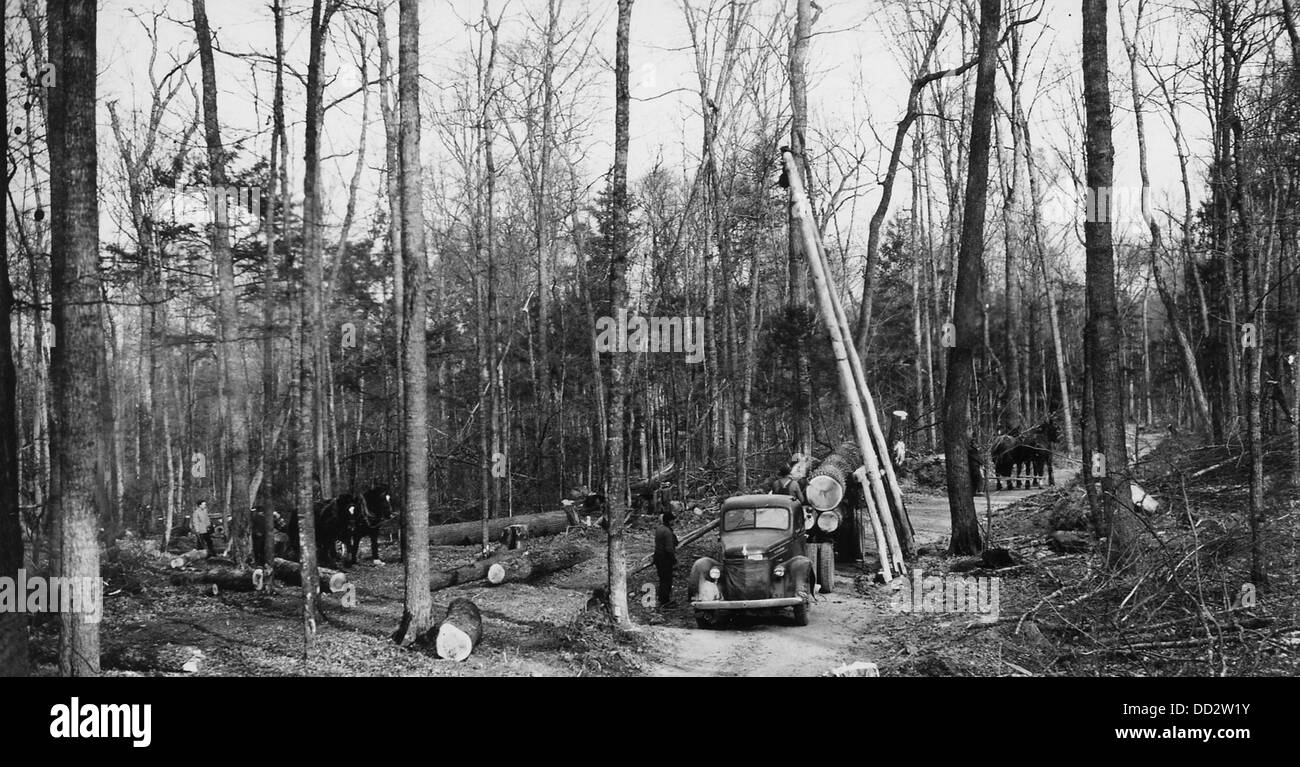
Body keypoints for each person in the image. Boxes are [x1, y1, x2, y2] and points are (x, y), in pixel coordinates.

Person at [653, 510, 679, 608]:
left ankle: (662, 599)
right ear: (669, 520)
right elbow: (669, 549)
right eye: (672, 521)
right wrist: (674, 560)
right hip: (665, 558)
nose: (674, 523)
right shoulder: (668, 532)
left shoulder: (659, 528)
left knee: (662, 579)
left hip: (657, 557)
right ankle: (665, 601)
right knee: (667, 580)